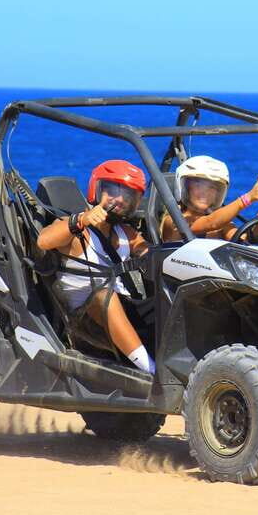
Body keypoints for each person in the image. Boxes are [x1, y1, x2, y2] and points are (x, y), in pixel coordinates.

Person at [37, 159, 155, 374]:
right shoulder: (77, 230)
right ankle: (152, 370)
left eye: (127, 195)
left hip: (123, 311)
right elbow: (44, 241)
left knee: (164, 297)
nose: (119, 199)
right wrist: (81, 219)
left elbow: (148, 251)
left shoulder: (125, 233)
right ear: (96, 189)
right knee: (103, 296)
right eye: (112, 191)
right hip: (84, 322)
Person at [160, 155, 258, 242]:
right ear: (184, 187)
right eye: (198, 185)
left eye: (212, 188)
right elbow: (210, 223)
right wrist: (246, 199)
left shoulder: (221, 222)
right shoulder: (173, 221)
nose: (205, 192)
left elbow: (241, 240)